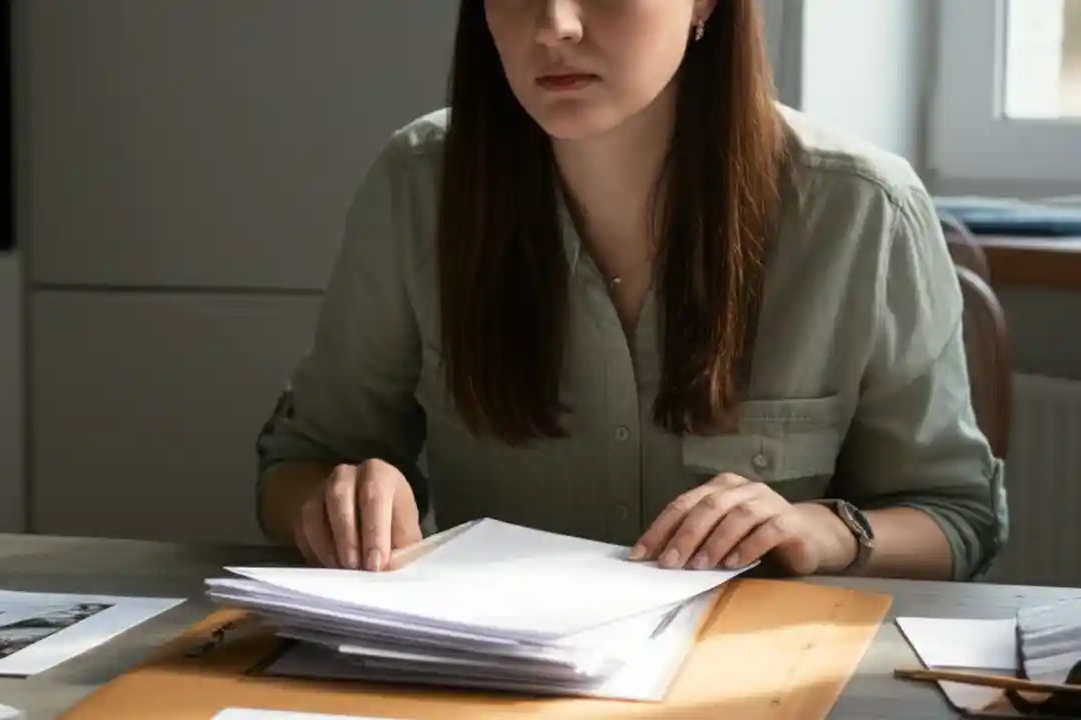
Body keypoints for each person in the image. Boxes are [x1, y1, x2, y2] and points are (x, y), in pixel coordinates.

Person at [254, 0, 1007, 581]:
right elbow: (298, 463)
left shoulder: (860, 209)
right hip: (492, 691)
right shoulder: (419, 187)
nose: (554, 25)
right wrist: (337, 501)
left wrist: (822, 532)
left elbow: (961, 518)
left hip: (757, 689)